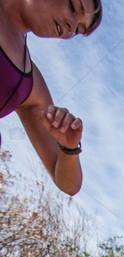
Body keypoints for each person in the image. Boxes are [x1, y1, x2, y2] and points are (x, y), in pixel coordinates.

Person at [0, 0, 102, 194]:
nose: (71, 27)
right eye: (73, 6)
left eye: (78, 30)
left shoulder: (27, 82)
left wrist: (68, 148)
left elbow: (69, 185)